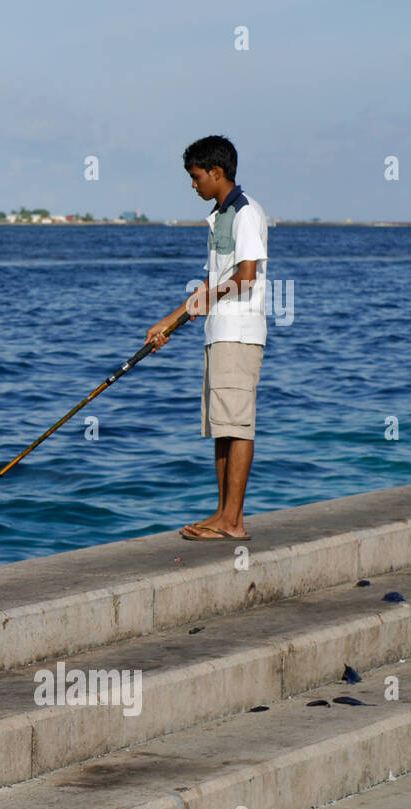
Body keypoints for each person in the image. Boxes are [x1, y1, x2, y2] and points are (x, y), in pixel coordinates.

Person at [146, 135, 268, 542]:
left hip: (239, 333)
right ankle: (222, 514)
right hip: (220, 334)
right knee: (222, 426)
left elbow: (246, 276)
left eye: (196, 177)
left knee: (238, 426)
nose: (193, 185)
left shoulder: (246, 213)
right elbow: (213, 280)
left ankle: (234, 522)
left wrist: (204, 301)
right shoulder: (222, 215)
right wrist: (171, 319)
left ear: (217, 173)